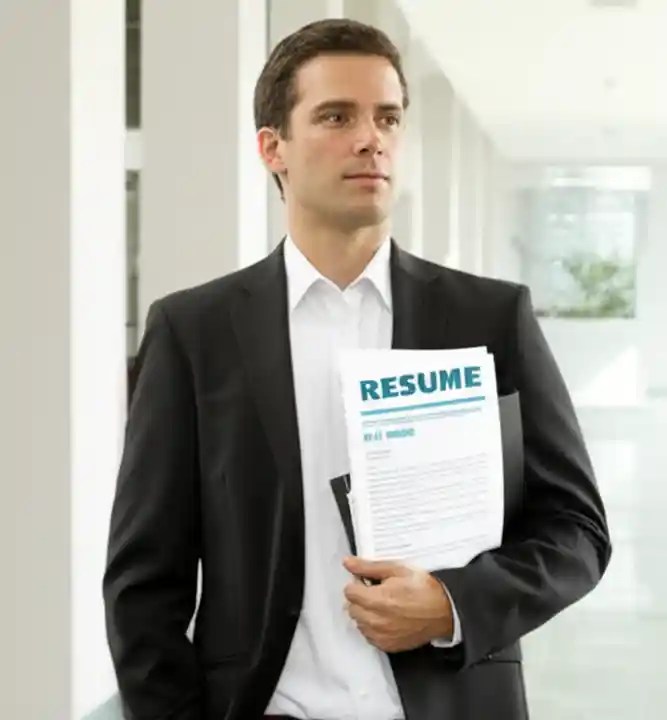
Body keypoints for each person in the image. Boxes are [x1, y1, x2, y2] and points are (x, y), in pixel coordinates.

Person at [103, 18, 610, 720]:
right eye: (337, 116)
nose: (371, 137)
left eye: (389, 117)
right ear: (272, 148)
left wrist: (452, 604)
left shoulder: (490, 319)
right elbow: (143, 584)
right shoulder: (193, 333)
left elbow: (577, 531)